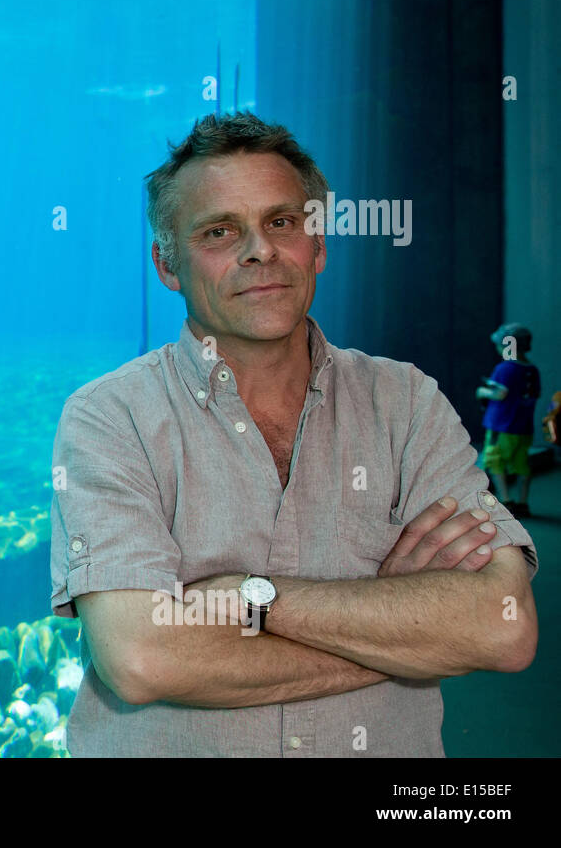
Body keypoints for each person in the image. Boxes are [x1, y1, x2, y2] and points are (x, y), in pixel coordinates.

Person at [48, 112, 539, 757]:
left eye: (282, 222)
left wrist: (252, 600)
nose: (261, 250)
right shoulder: (109, 418)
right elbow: (143, 660)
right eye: (220, 231)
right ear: (166, 265)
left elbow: (502, 628)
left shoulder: (408, 402)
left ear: (319, 246)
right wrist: (402, 633)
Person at [476, 323, 541, 518]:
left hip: (501, 426)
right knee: (522, 463)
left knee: (495, 461)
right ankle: (523, 502)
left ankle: (506, 501)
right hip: (523, 427)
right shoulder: (532, 369)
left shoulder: (505, 367)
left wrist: (482, 391)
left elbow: (500, 393)